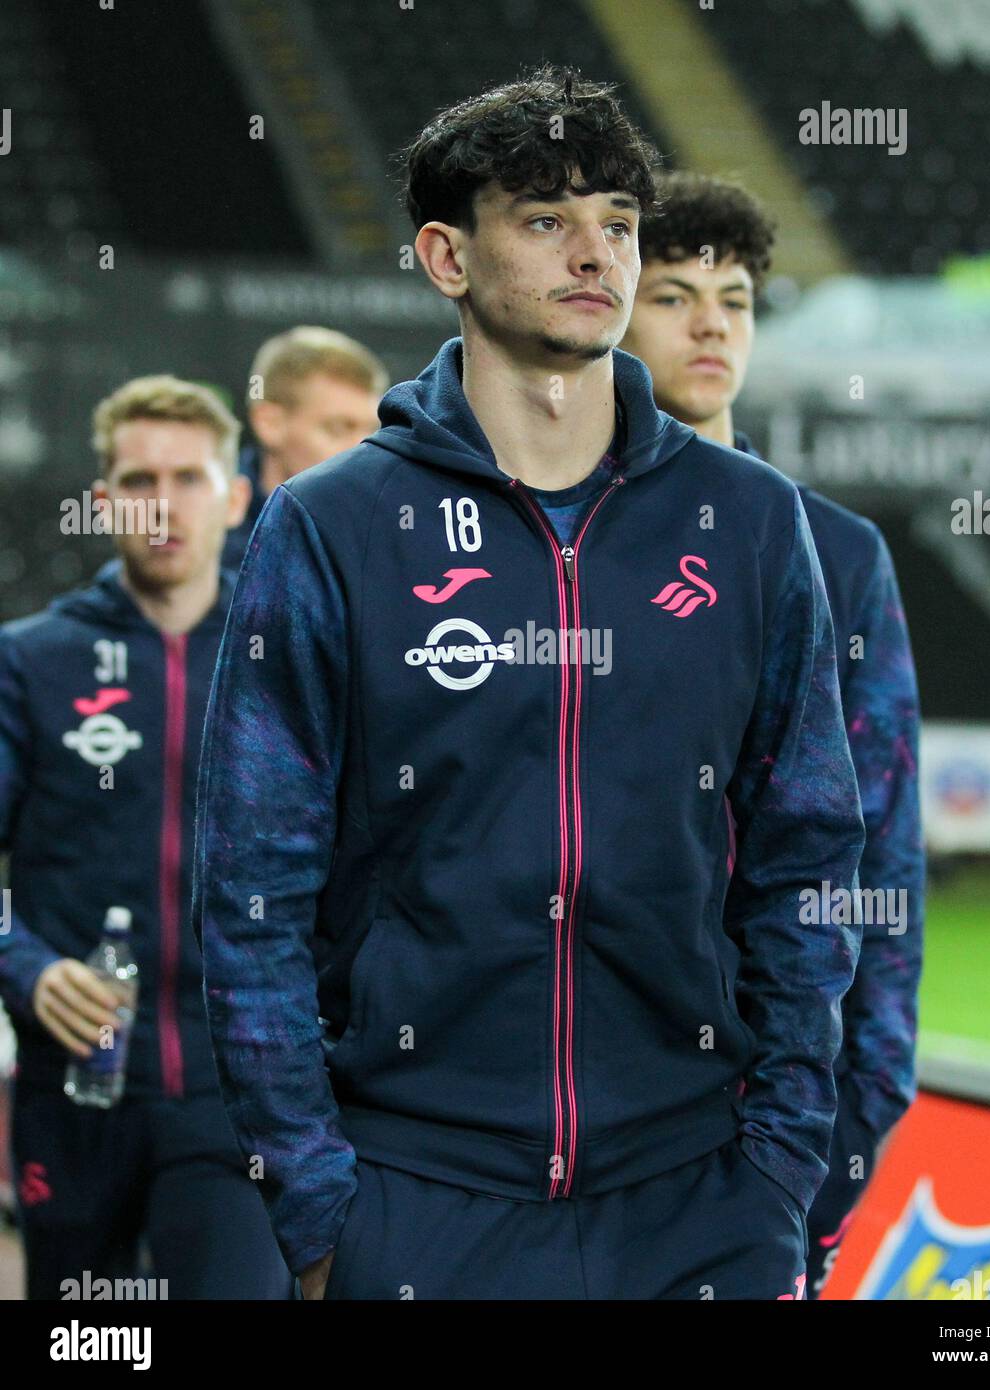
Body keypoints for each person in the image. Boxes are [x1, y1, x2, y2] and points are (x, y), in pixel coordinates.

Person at [194, 66, 865, 1301]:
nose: (595, 250)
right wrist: (317, 1199)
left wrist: (778, 1163)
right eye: (545, 218)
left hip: (699, 1190)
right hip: (416, 1192)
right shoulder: (333, 526)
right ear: (446, 257)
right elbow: (251, 886)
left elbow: (809, 849)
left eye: (616, 219)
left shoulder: (753, 521)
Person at [621, 170, 925, 1296]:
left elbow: (879, 859)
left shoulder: (839, 556)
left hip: (764, 1119)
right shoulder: (550, 545)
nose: (711, 322)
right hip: (574, 1115)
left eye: (736, 297)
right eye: (675, 293)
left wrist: (843, 1130)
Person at [0, 376, 290, 1299]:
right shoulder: (32, 660)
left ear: (235, 494)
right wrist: (29, 969)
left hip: (235, 1092)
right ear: (101, 499)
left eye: (188, 477)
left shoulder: (285, 656)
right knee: (88, 1344)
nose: (161, 504)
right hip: (73, 1091)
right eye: (136, 480)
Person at [222, 326, 389, 570]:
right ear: (270, 424)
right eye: (339, 428)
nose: (365, 450)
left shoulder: (394, 527)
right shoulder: (207, 533)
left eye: (373, 431)